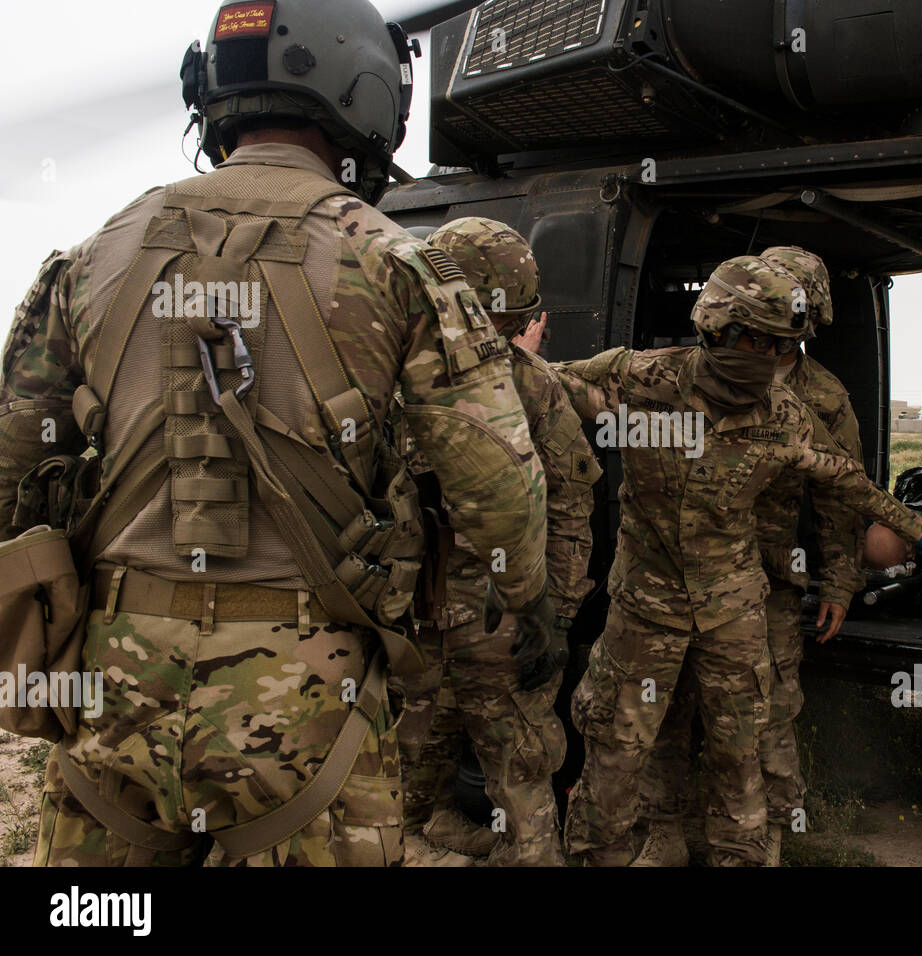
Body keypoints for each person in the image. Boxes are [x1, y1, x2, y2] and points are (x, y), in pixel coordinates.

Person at [2, 0, 550, 866]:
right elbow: (500, 495)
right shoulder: (400, 264)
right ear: (363, 94)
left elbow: (13, 466)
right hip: (307, 691)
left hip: (110, 673)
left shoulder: (91, 255)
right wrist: (520, 601)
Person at [552, 255, 922, 865]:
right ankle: (608, 851)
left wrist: (916, 527)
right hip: (646, 606)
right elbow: (546, 383)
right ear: (716, 328)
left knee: (740, 750)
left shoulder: (788, 413)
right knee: (617, 743)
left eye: (780, 344)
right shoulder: (642, 379)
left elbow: (845, 482)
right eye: (756, 339)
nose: (767, 355)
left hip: (734, 607)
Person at [633, 246, 864, 866]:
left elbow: (843, 494)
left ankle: (761, 836)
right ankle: (664, 833)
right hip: (680, 574)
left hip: (770, 579)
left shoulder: (822, 394)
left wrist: (840, 581)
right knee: (668, 707)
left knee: (765, 712)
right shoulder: (693, 370)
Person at [396, 217, 600, 866]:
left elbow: (571, 505)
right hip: (421, 622)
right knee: (413, 785)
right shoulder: (396, 378)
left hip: (491, 623)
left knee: (521, 791)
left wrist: (558, 616)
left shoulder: (532, 384)